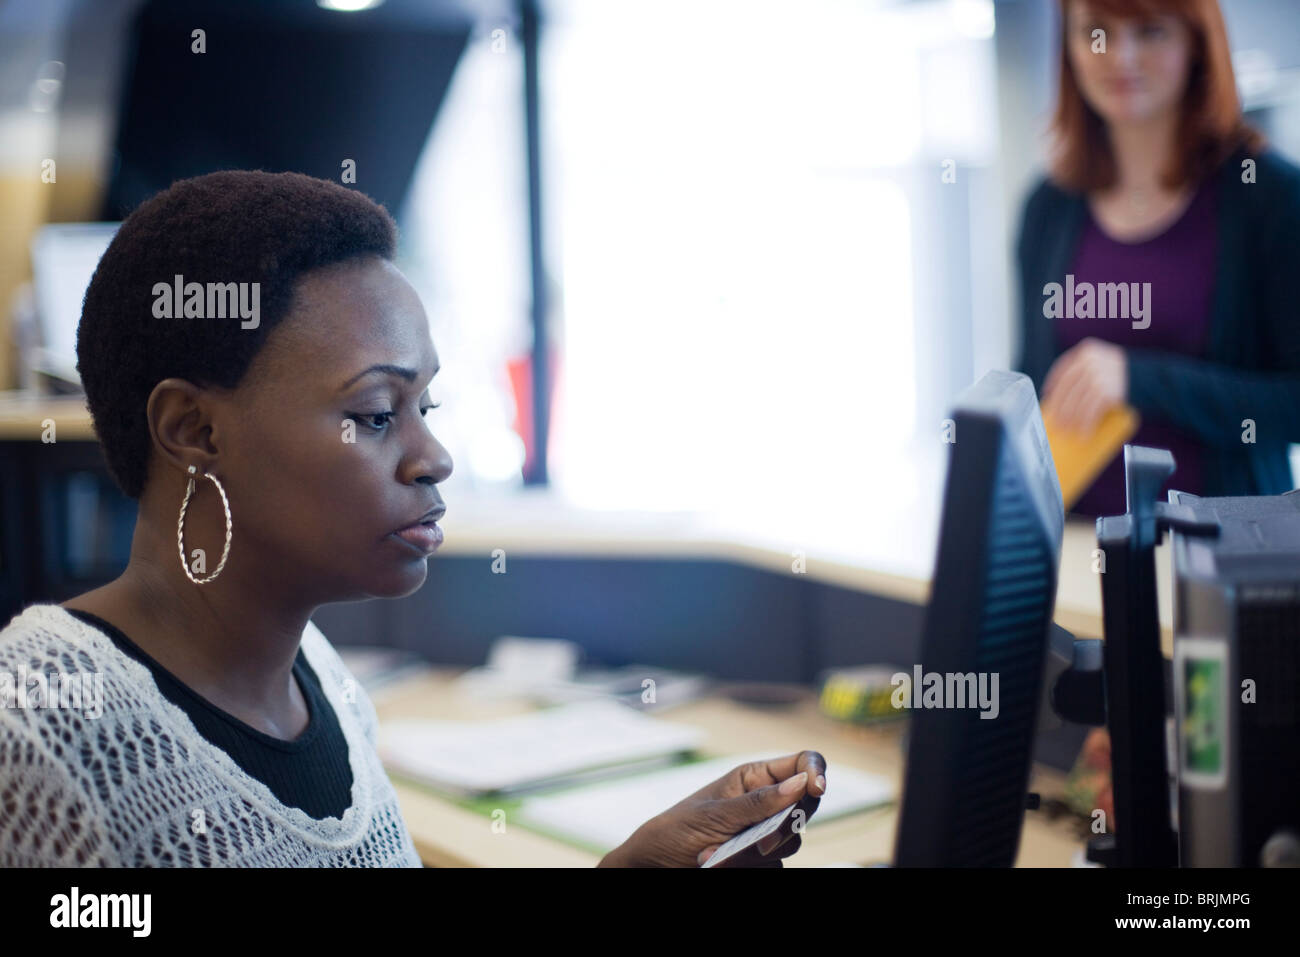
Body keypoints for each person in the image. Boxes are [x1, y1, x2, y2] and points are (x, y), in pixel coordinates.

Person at [0, 170, 826, 867]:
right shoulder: (37, 725)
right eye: (374, 412)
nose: (434, 457)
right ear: (194, 430)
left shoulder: (325, 686)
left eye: (424, 403)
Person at [1016, 0, 1300, 518]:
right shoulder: (1048, 207)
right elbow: (1031, 384)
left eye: (1150, 32)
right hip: (1073, 546)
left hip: (1218, 561)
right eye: (1096, 32)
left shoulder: (1269, 196)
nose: (1120, 56)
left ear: (1195, 43)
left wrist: (1139, 380)